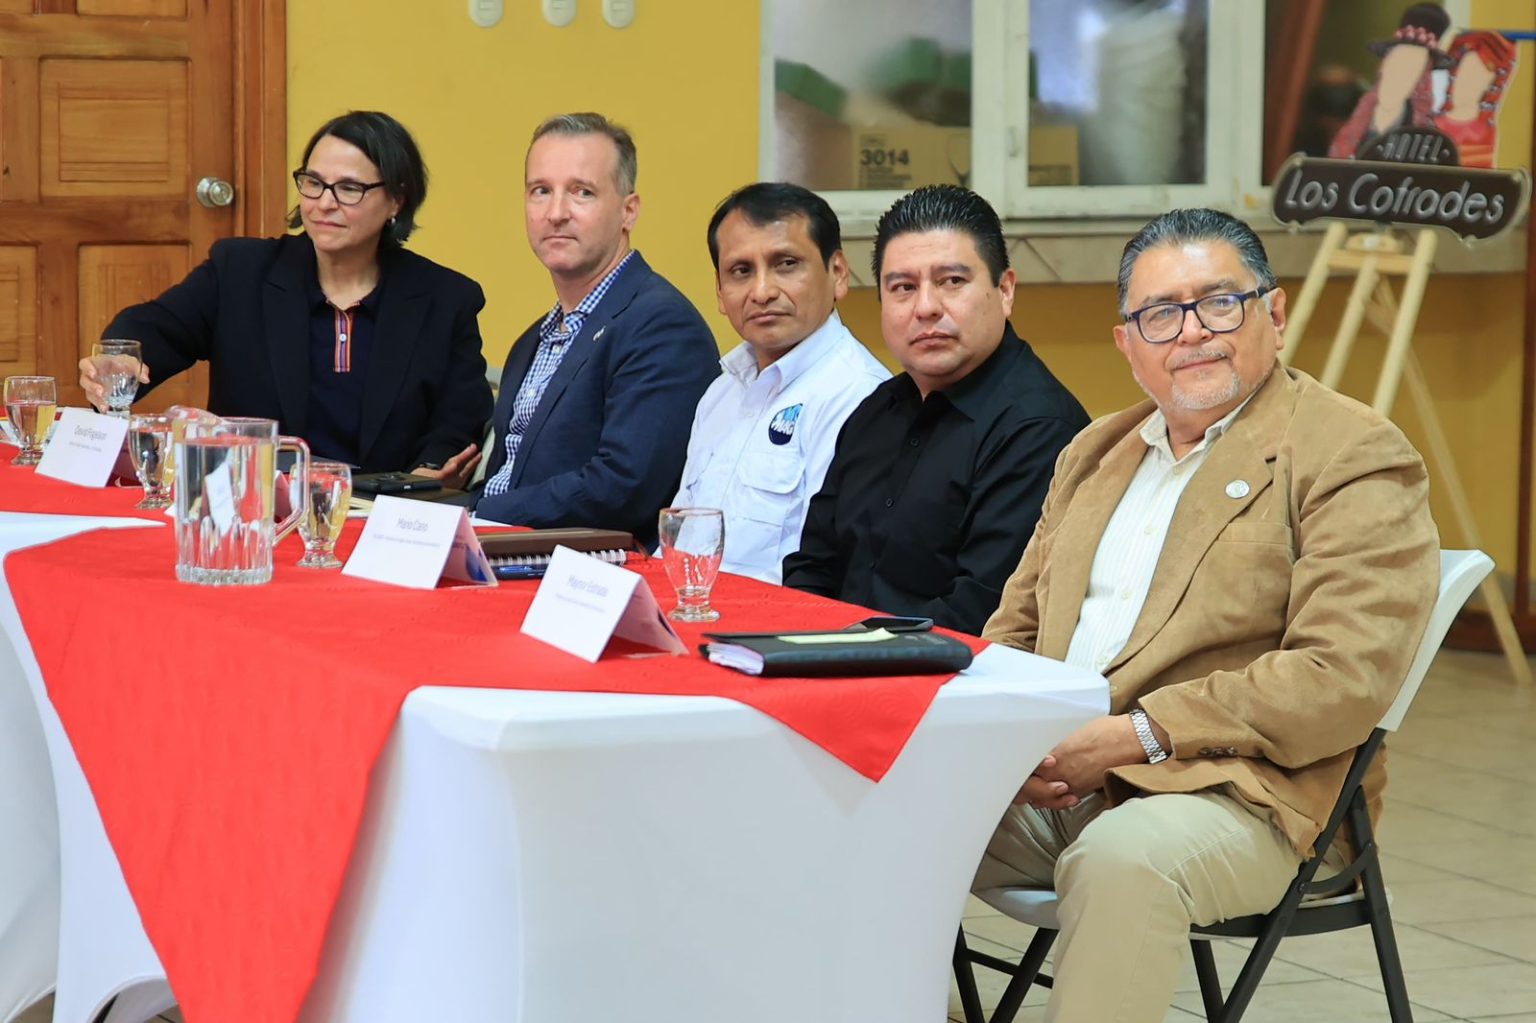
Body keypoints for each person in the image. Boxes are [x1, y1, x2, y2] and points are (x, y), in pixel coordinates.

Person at [973, 208, 1439, 1022]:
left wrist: (1135, 735)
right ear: (1127, 343)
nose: (1191, 332)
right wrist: (1003, 736)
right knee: (856, 804)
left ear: (1276, 313)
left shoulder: (1349, 451)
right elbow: (1010, 632)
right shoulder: (1093, 453)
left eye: (1220, 302)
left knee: (1126, 859)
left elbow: (1339, 676)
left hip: (1245, 793)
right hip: (1062, 773)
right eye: (1160, 313)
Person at [83, 110, 493, 475]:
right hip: (257, 502)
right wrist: (118, 361)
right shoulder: (241, 272)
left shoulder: (445, 298)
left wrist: (426, 474)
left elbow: (460, 418)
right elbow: (160, 325)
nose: (324, 204)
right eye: (313, 183)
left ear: (396, 202)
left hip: (381, 510)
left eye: (349, 189)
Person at [782, 185, 1087, 634]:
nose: (926, 307)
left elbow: (983, 609)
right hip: (833, 664)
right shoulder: (875, 411)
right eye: (903, 287)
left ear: (1004, 290)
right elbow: (813, 564)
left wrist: (841, 653)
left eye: (952, 282)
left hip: (952, 685)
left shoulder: (1038, 428)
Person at [475, 113, 718, 546]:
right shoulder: (532, 340)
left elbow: (623, 488)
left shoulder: (661, 324)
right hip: (501, 555)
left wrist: (477, 511)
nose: (556, 213)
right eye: (540, 191)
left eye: (582, 192)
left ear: (629, 211)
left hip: (589, 579)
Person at [670, 182, 889, 584]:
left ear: (838, 273)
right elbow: (679, 547)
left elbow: (830, 576)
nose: (763, 291)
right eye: (741, 271)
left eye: (786, 264)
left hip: (774, 637)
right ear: (719, 292)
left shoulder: (860, 395)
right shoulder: (719, 394)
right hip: (691, 620)